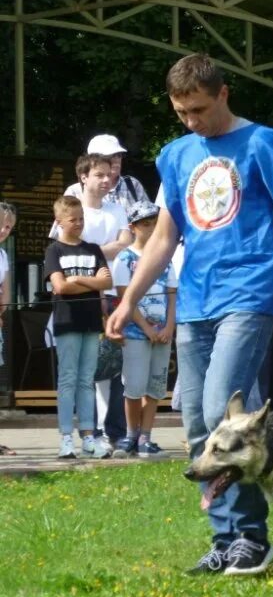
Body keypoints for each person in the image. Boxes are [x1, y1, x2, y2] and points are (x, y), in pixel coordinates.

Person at [107, 53, 273, 576]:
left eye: (199, 110)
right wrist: (130, 298)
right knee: (196, 420)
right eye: (181, 112)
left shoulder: (265, 145)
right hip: (196, 300)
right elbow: (165, 236)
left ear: (223, 94)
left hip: (251, 291)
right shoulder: (176, 156)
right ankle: (225, 539)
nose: (191, 121)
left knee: (217, 410)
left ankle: (252, 538)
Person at [53, 153, 132, 448]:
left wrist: (85, 267)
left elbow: (125, 244)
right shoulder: (70, 211)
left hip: (111, 297)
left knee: (113, 366)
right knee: (75, 374)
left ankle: (112, 433)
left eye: (110, 174)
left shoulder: (116, 210)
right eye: (99, 174)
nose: (107, 179)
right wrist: (94, 269)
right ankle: (79, 433)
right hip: (74, 308)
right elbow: (61, 267)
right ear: (83, 177)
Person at [45, 196, 113, 459]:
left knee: (86, 380)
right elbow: (60, 287)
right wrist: (90, 281)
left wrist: (76, 279)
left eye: (81, 219)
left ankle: (88, 436)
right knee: (68, 379)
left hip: (91, 322)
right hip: (67, 322)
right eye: (73, 219)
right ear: (59, 221)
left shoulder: (93, 249)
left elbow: (106, 283)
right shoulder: (54, 251)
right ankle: (65, 437)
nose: (78, 223)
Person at [110, 201, 177, 458]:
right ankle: (130, 435)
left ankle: (146, 437)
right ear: (133, 227)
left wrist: (169, 325)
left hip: (162, 333)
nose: (150, 229)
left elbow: (172, 294)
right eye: (145, 224)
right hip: (136, 333)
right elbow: (124, 297)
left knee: (156, 386)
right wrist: (146, 328)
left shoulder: (165, 258)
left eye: (154, 224)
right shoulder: (125, 258)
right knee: (134, 386)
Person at [64, 134, 151, 212]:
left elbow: (150, 219)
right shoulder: (75, 192)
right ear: (93, 159)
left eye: (119, 155)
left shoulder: (132, 184)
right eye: (110, 156)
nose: (116, 159)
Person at [0, 201, 16, 456]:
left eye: (8, 227)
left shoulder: (3, 255)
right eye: (1, 224)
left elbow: (6, 289)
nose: (4, 230)